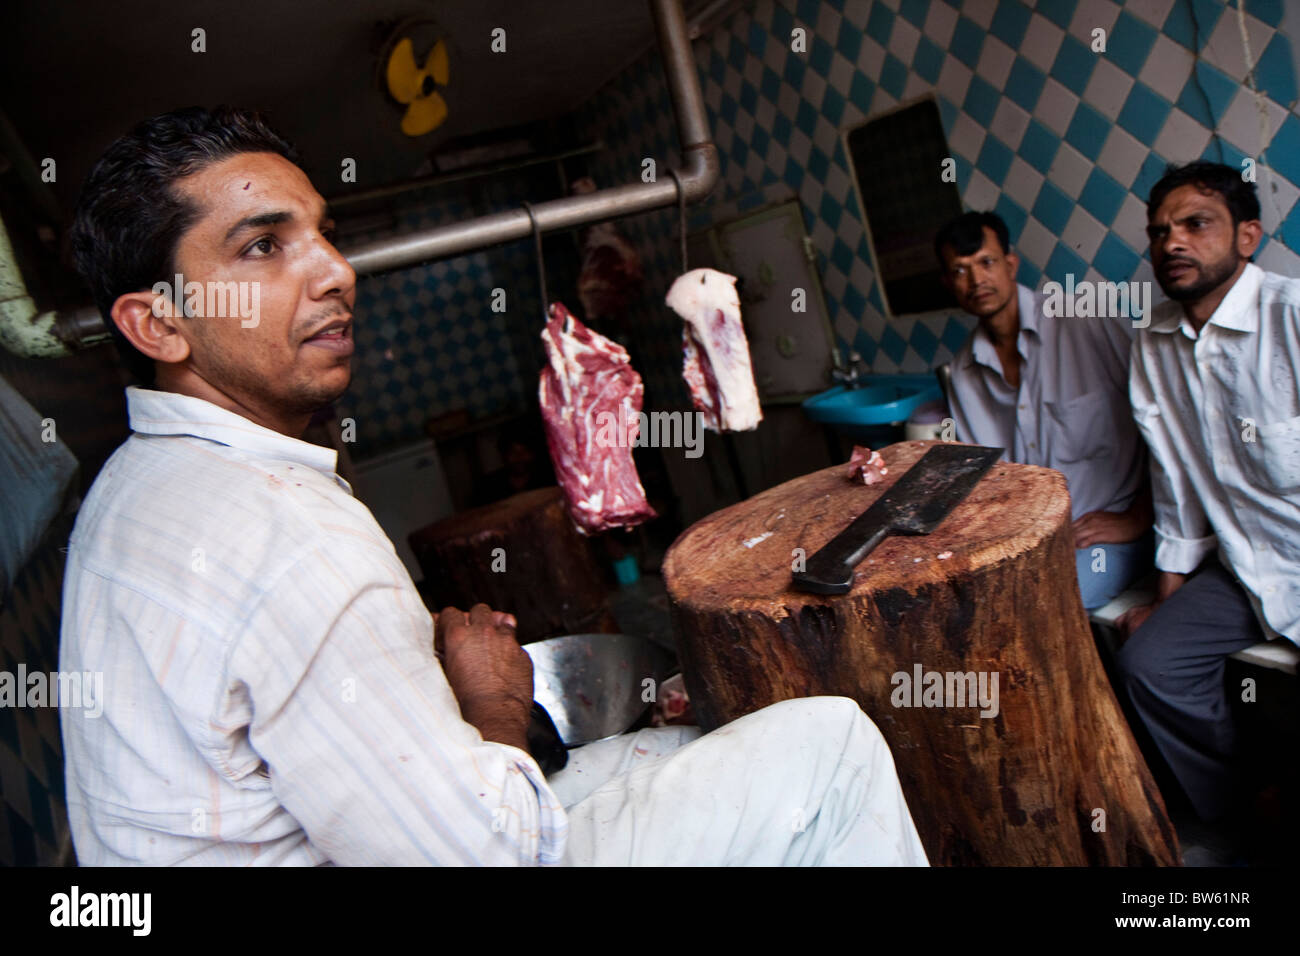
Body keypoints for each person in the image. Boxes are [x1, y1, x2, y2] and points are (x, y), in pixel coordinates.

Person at [60, 106, 928, 866]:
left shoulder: (138, 483)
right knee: (833, 748)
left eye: (323, 233)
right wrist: (489, 701)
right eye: (263, 245)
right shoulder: (283, 530)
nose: (334, 271)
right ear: (157, 323)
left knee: (667, 752)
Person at [1116, 161, 1300, 825]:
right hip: (1240, 568)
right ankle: (1244, 808)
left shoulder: (1292, 315)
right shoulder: (1155, 340)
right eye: (1159, 231)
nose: (1171, 243)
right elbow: (1175, 482)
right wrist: (1166, 603)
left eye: (1196, 224)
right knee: (1148, 665)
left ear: (1247, 236)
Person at [935, 212, 1152, 610]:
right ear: (949, 284)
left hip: (1107, 535)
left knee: (1043, 610)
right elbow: (984, 482)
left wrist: (1139, 517)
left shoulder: (1084, 320)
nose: (976, 280)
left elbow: (1162, 420)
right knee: (960, 608)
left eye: (987, 262)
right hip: (1031, 542)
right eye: (960, 270)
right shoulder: (964, 373)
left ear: (1011, 264)